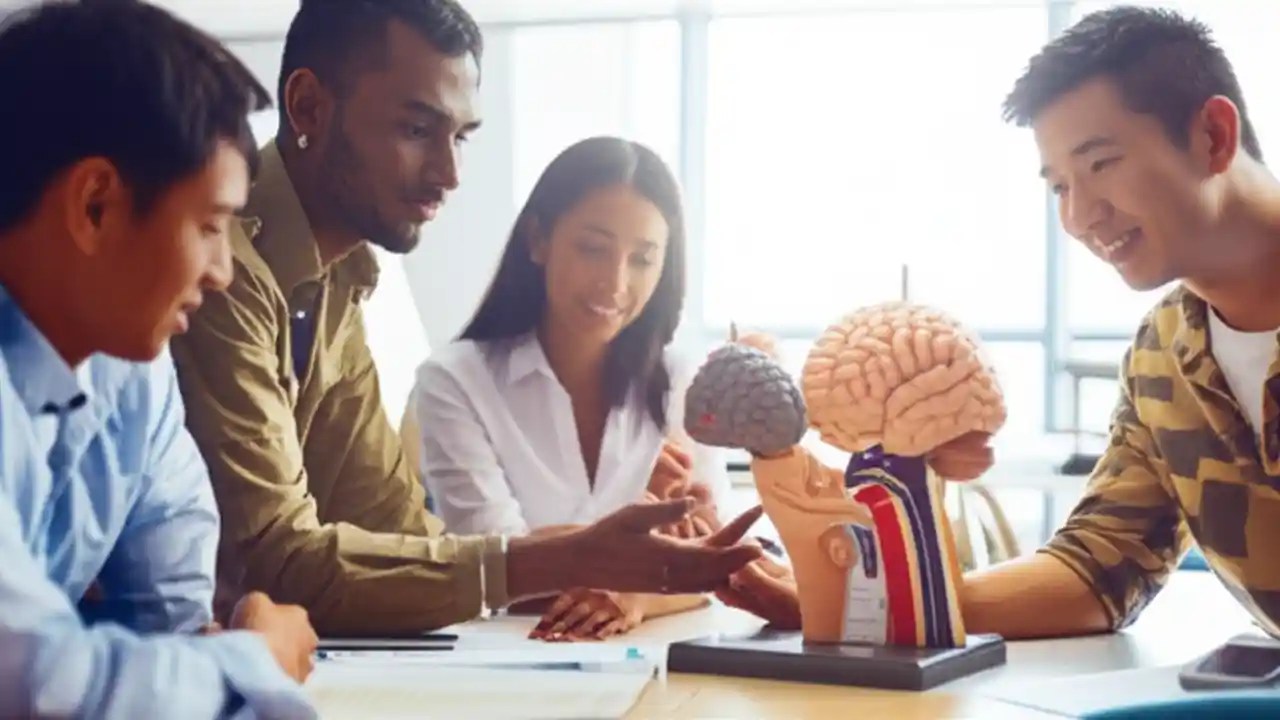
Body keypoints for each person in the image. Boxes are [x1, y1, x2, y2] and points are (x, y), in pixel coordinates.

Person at [169, 0, 763, 637]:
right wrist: (566, 558)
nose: (449, 174)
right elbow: (279, 556)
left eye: (460, 137)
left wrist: (595, 560)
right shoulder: (221, 270)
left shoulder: (340, 278)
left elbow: (391, 525)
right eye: (416, 130)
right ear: (309, 106)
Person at [723, 4, 1280, 640]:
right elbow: (1102, 563)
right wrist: (861, 610)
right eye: (1059, 187)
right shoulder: (1163, 357)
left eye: (1101, 164)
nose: (1079, 217)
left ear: (1213, 135)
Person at [0, 1, 318, 717]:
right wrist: (252, 663)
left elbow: (173, 622)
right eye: (209, 226)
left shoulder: (132, 370)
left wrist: (205, 665)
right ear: (96, 207)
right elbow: (34, 683)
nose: (223, 271)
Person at [412, 136, 732, 640]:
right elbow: (491, 564)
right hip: (511, 656)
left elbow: (719, 560)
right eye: (593, 249)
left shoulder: (682, 381)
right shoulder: (455, 380)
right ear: (538, 239)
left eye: (642, 259)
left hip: (650, 655)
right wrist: (647, 546)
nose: (615, 282)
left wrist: (635, 596)